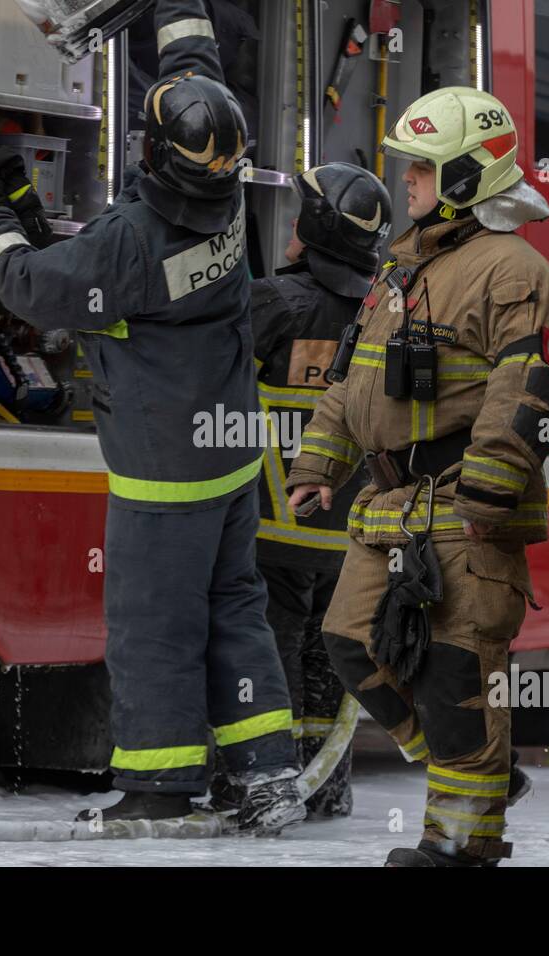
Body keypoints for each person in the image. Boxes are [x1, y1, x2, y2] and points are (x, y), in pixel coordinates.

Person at [0, 0, 303, 832]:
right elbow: (196, 62)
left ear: (153, 153)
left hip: (164, 470)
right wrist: (176, 7)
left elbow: (31, 287)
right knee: (234, 608)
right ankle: (266, 773)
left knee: (154, 627)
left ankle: (157, 789)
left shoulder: (134, 240)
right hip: (228, 452)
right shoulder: (217, 163)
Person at [286, 87, 549, 866]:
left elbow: (528, 393)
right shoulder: (403, 266)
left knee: (460, 679)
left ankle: (459, 848)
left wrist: (487, 492)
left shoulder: (513, 270)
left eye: (423, 167)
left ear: (470, 177)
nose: (405, 180)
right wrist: (321, 464)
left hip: (461, 505)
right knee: (347, 642)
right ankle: (479, 772)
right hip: (387, 504)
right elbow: (351, 380)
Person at [248, 162, 392, 817]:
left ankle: (268, 782)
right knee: (328, 653)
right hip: (348, 528)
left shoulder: (276, 302)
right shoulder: (388, 312)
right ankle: (325, 785)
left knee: (270, 651)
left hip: (272, 528)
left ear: (315, 227)